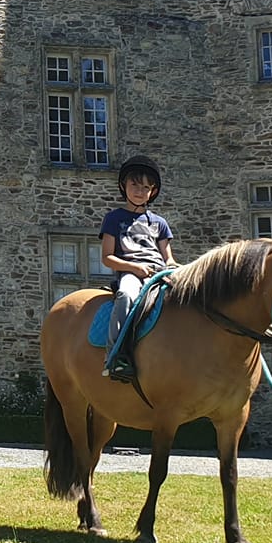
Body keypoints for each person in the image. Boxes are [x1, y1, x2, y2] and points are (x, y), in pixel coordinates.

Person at [99, 155, 175, 382]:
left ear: (153, 191)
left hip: (158, 271)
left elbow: (168, 257)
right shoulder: (113, 218)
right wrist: (135, 268)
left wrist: (174, 268)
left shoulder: (159, 223)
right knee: (125, 295)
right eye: (135, 185)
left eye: (146, 187)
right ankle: (115, 355)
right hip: (131, 271)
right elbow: (107, 257)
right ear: (124, 186)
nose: (140, 191)